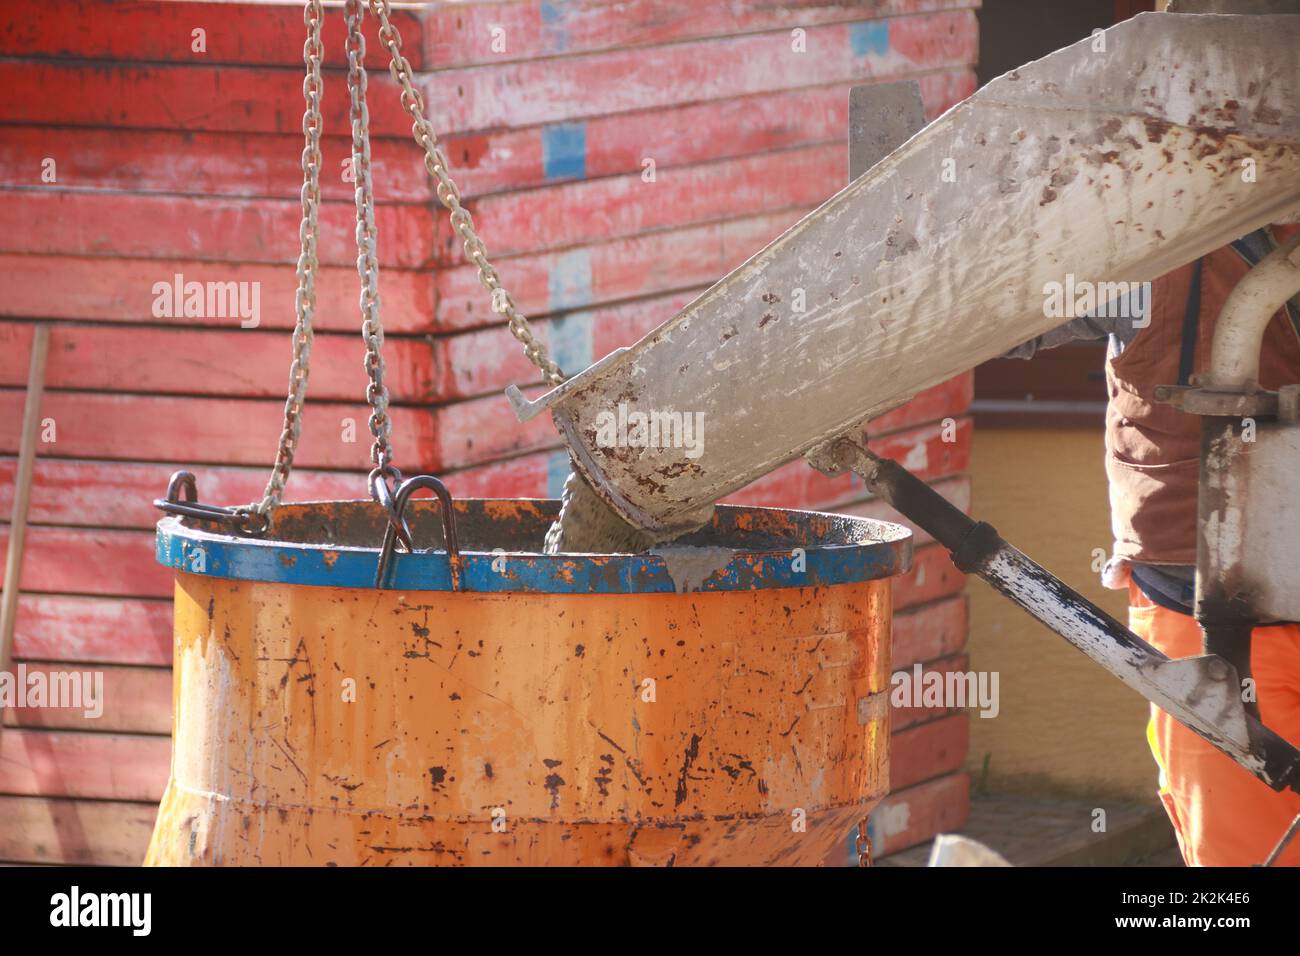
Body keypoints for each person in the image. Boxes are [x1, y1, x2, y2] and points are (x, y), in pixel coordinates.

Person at [1008, 223, 1300, 866]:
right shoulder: (1149, 215)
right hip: (1215, 617)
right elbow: (990, 304)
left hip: (1217, 613)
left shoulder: (1150, 209)